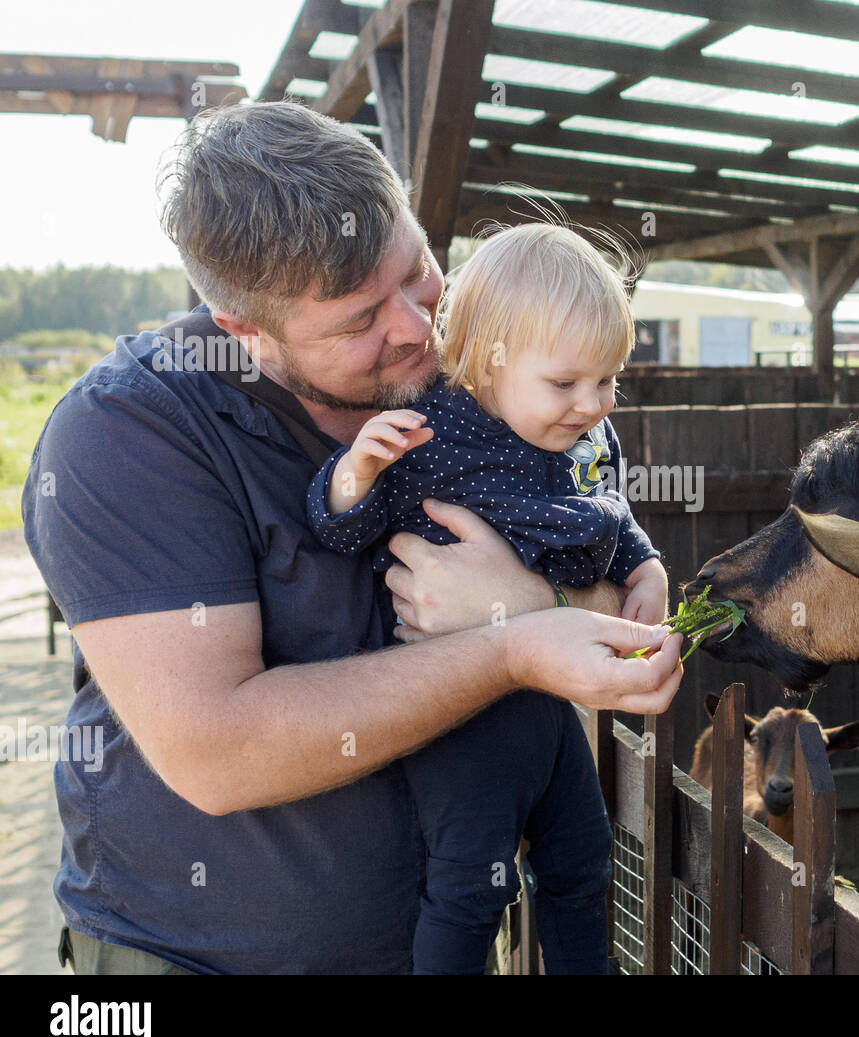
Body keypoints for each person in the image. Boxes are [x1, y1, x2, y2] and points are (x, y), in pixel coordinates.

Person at [20, 100, 682, 975]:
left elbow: (600, 552)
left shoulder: (486, 375)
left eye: (417, 269)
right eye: (358, 320)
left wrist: (534, 600)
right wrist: (511, 646)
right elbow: (220, 750)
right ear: (244, 330)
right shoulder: (126, 436)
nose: (413, 326)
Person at [306, 221, 670, 973]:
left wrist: (646, 567)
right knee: (471, 883)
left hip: (547, 700)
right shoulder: (432, 434)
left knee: (584, 858)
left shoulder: (582, 438)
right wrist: (353, 476)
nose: (592, 403)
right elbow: (346, 532)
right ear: (488, 358)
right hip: (460, 707)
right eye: (565, 383)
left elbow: (611, 513)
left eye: (608, 380)